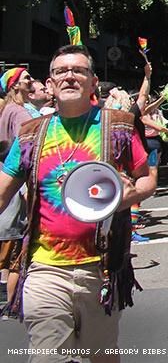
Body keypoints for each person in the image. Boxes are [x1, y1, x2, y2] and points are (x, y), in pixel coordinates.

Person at [0, 45, 154, 361]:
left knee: (101, 357)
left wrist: (131, 196)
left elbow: (146, 177)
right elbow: (2, 192)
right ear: (51, 83)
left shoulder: (118, 127)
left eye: (79, 70)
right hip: (45, 271)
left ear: (93, 82)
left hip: (101, 270)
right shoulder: (31, 135)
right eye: (61, 71)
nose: (70, 76)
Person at [0, 68, 34, 313]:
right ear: (14, 86)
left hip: (10, 179)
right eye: (26, 79)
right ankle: (14, 303)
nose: (30, 81)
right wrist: (25, 189)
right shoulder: (19, 112)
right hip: (19, 183)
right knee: (16, 251)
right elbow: (25, 153)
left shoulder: (7, 110)